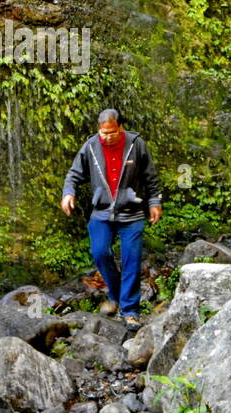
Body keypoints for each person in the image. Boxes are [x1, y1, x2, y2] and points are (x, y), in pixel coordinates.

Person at [61, 109, 162, 330]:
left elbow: (151, 177)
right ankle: (115, 295)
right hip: (102, 212)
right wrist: (69, 193)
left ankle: (130, 311)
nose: (106, 137)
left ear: (120, 128)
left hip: (132, 213)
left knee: (131, 261)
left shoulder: (136, 145)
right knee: (99, 252)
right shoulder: (91, 146)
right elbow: (74, 174)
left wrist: (155, 202)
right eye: (103, 133)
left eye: (111, 133)